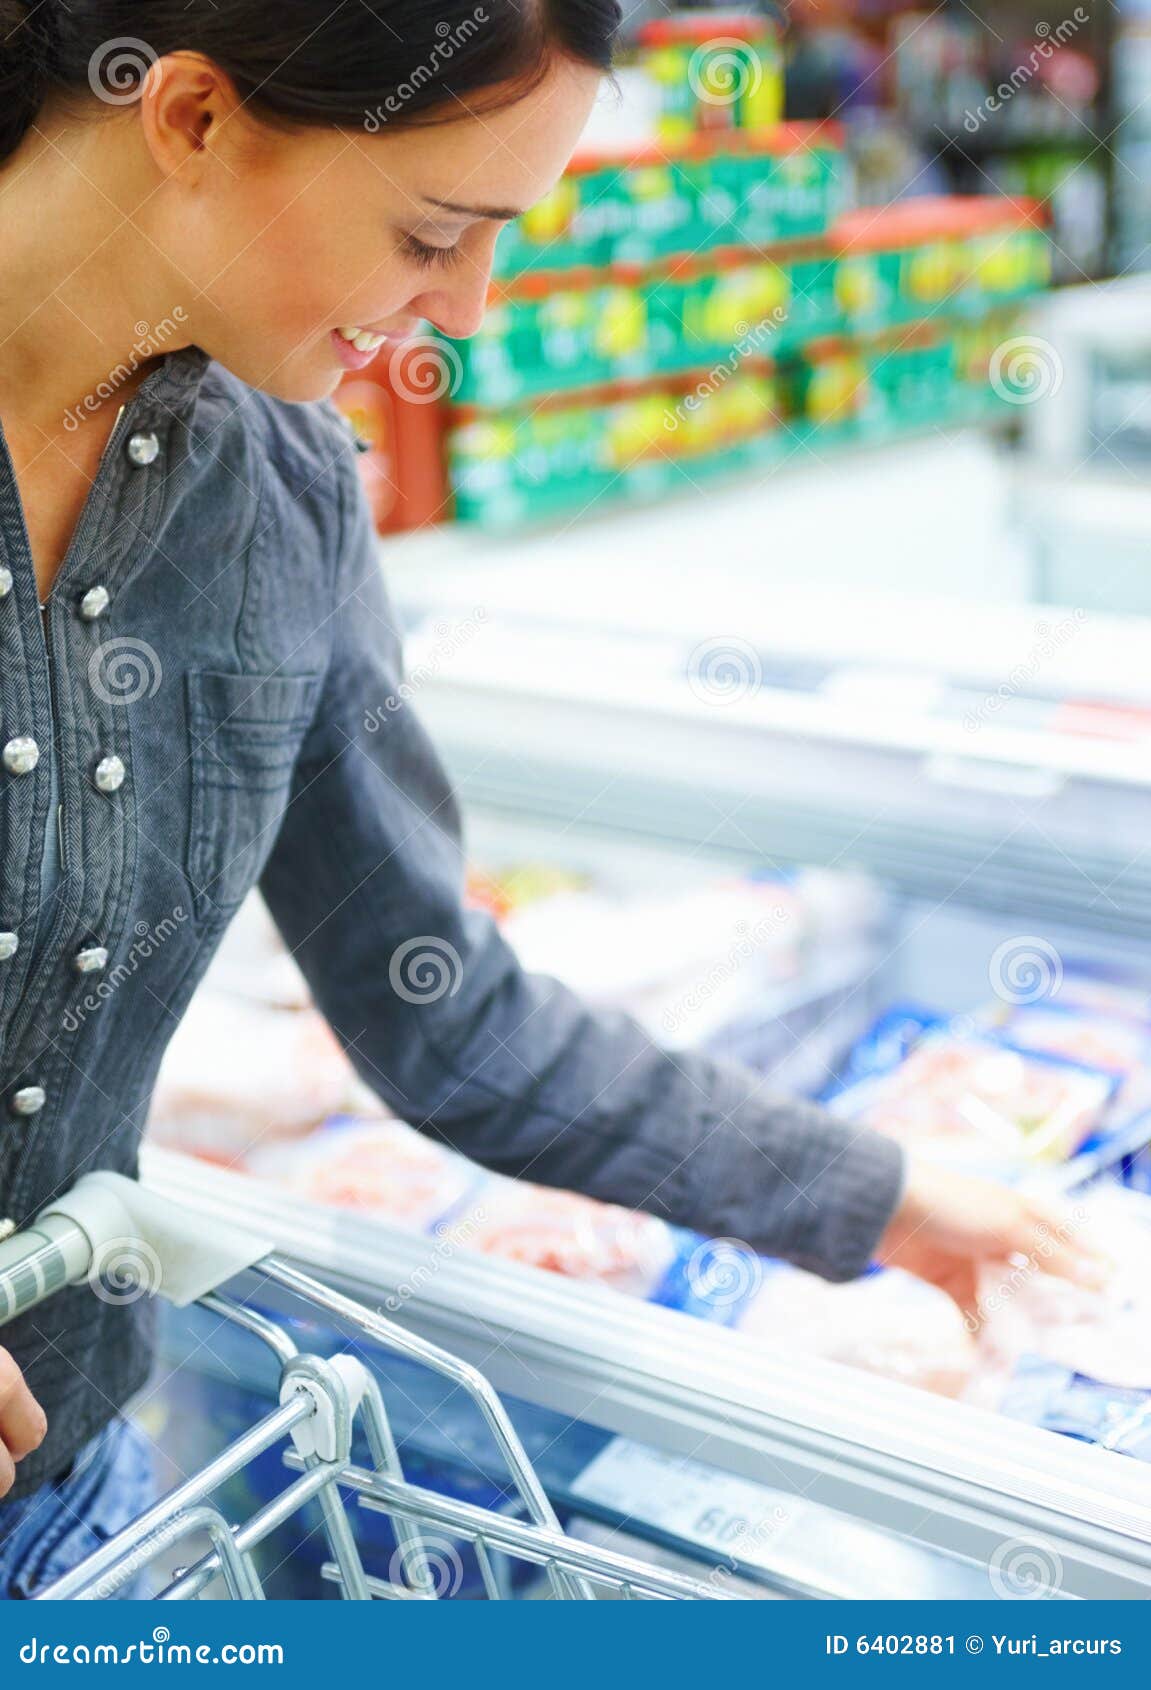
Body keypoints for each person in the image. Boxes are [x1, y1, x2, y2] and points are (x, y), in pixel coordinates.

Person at [0, 0, 1101, 1597]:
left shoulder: (282, 497)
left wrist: (884, 1196)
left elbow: (439, 1005)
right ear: (187, 118)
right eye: (434, 231)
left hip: (78, 1507)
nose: (470, 305)